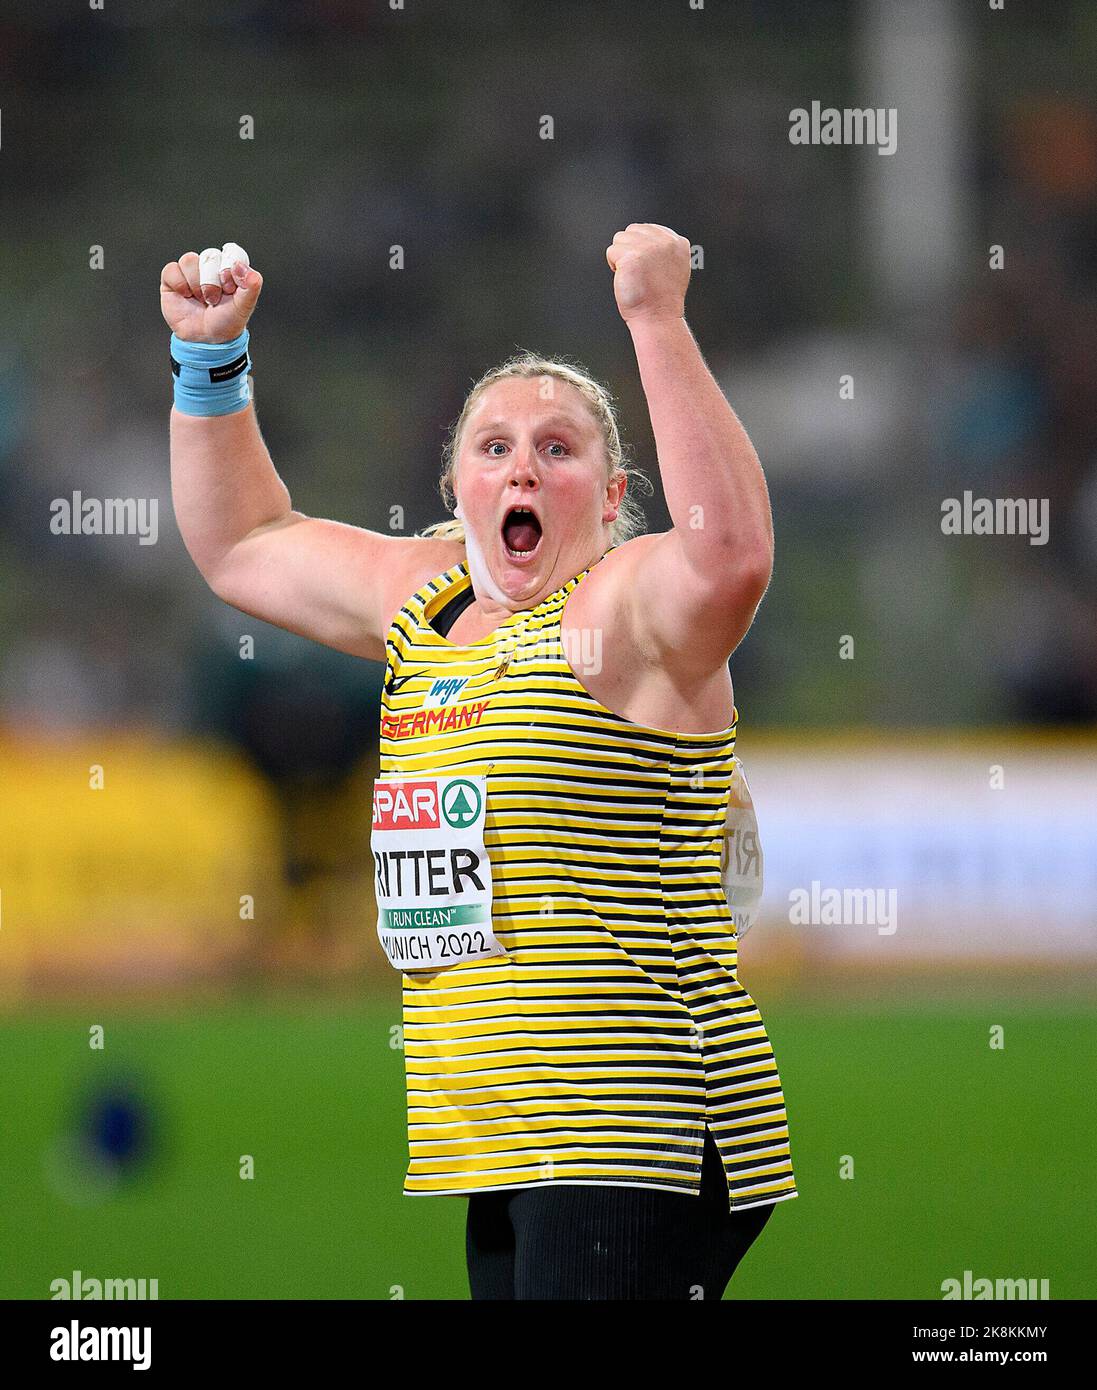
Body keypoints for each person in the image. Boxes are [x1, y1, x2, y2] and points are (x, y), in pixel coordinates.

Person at [162, 222, 798, 1300]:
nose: (520, 466)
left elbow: (730, 556)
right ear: (455, 488)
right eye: (491, 447)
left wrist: (656, 317)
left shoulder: (629, 606)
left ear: (608, 495)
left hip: (628, 1113)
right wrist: (209, 361)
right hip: (499, 1132)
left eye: (558, 448)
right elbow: (240, 545)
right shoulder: (427, 599)